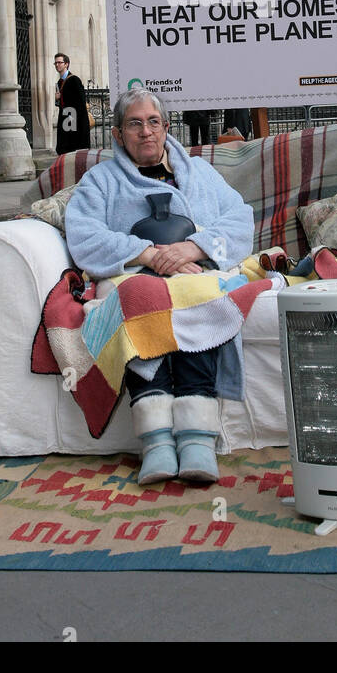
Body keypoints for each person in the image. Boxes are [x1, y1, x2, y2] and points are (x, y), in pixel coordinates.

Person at [64, 88, 254, 485]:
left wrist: (191, 247)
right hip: (133, 276)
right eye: (134, 124)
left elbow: (239, 219)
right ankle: (156, 442)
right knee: (139, 299)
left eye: (153, 122)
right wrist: (148, 255)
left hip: (193, 274)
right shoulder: (100, 181)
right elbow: (83, 235)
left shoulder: (201, 173)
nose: (146, 132)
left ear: (167, 129)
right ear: (117, 135)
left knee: (200, 297)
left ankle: (197, 437)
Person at [53, 53, 91, 155]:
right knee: (64, 148)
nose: (57, 65)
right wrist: (57, 99)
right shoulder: (60, 82)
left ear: (66, 64)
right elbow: (61, 103)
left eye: (60, 62)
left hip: (74, 119)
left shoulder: (74, 80)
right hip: (66, 117)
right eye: (55, 63)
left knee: (73, 148)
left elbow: (80, 102)